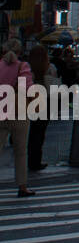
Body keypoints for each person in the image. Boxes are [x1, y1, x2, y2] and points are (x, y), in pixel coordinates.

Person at [0, 39, 36, 196]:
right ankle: (22, 187)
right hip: (19, 112)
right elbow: (27, 88)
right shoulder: (23, 66)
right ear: (20, 52)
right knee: (20, 152)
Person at [26, 45, 54, 173]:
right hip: (45, 101)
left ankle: (32, 161)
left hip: (31, 101)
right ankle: (36, 161)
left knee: (33, 133)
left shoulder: (27, 69)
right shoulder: (49, 68)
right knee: (40, 133)